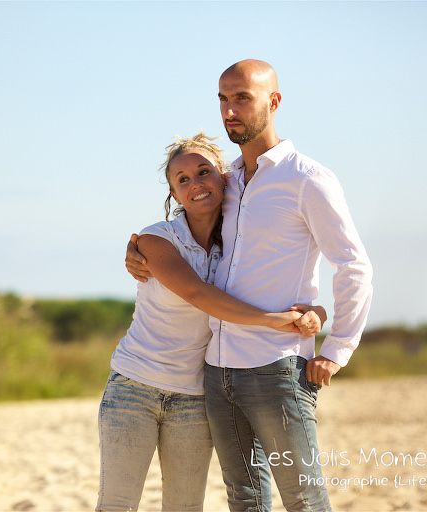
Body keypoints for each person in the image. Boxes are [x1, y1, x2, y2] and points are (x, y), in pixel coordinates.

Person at [125, 60, 374, 512]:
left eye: (242, 97)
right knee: (244, 498)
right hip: (217, 373)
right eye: (222, 98)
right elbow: (187, 227)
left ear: (273, 102)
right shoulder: (228, 181)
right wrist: (137, 248)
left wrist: (337, 350)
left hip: (276, 368)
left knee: (304, 497)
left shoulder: (307, 179)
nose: (229, 109)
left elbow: (353, 265)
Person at [97, 132, 327, 512]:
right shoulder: (156, 239)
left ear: (224, 178)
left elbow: (278, 281)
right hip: (133, 389)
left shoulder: (237, 247)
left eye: (203, 172)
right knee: (116, 505)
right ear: (173, 195)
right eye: (182, 180)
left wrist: (316, 312)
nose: (195, 184)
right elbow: (198, 294)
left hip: (194, 398)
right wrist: (272, 321)